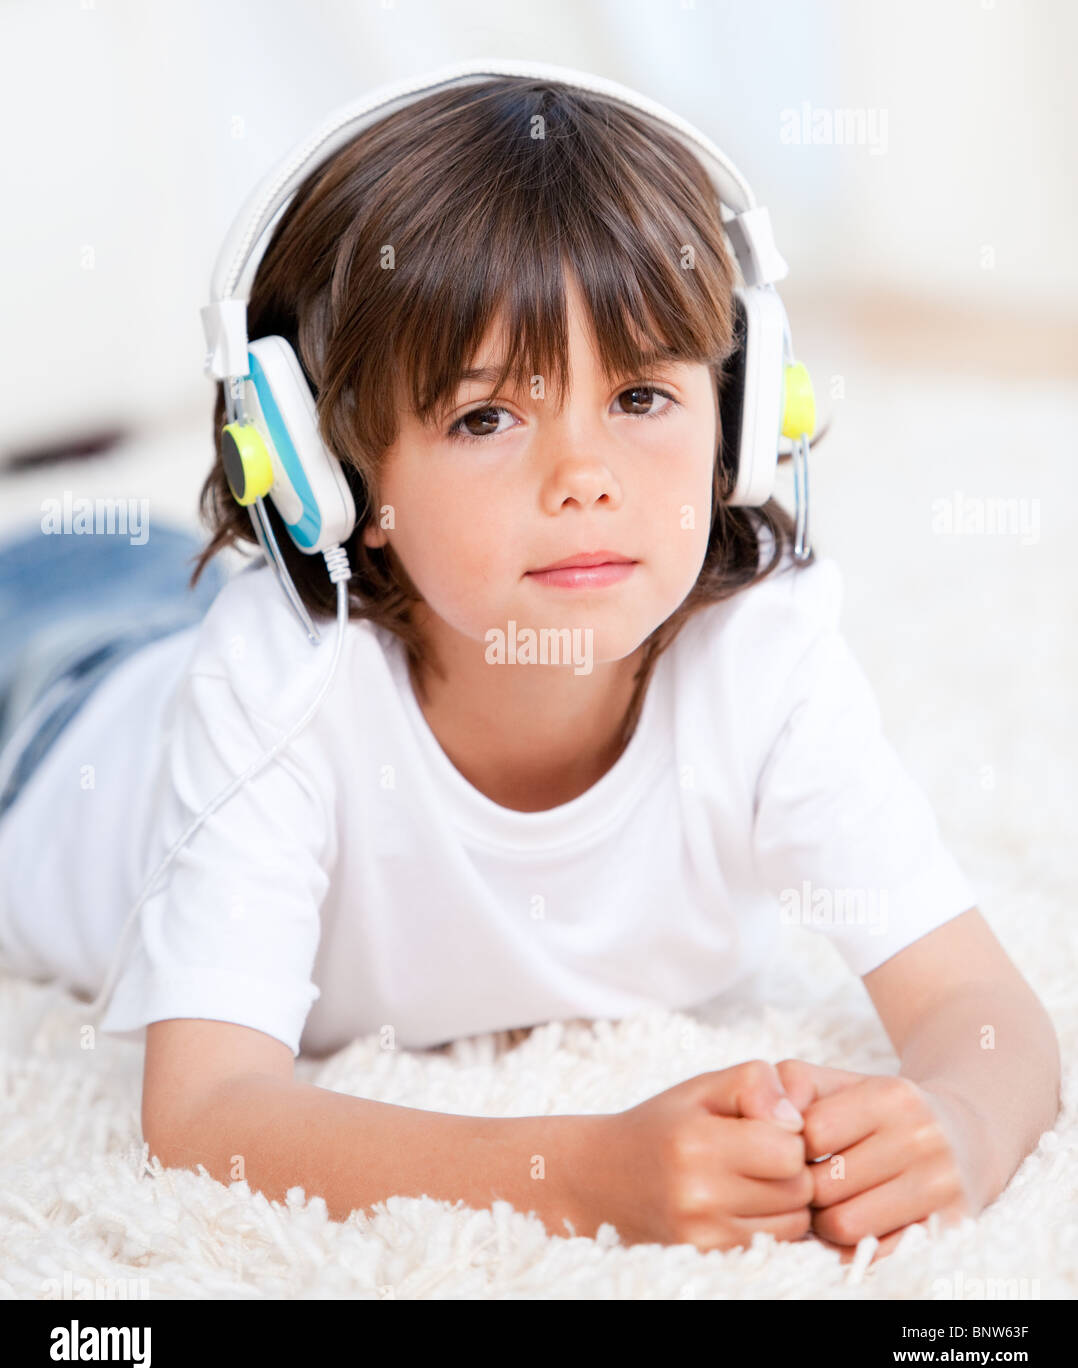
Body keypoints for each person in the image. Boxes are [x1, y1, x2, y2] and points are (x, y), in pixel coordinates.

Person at [0, 75, 1059, 1259]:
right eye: (487, 418)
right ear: (327, 472)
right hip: (58, 705)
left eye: (644, 394)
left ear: (745, 421)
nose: (584, 477)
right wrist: (585, 1172)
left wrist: (956, 1127)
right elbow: (203, 1112)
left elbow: (982, 1012)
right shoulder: (276, 678)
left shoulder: (765, 656)